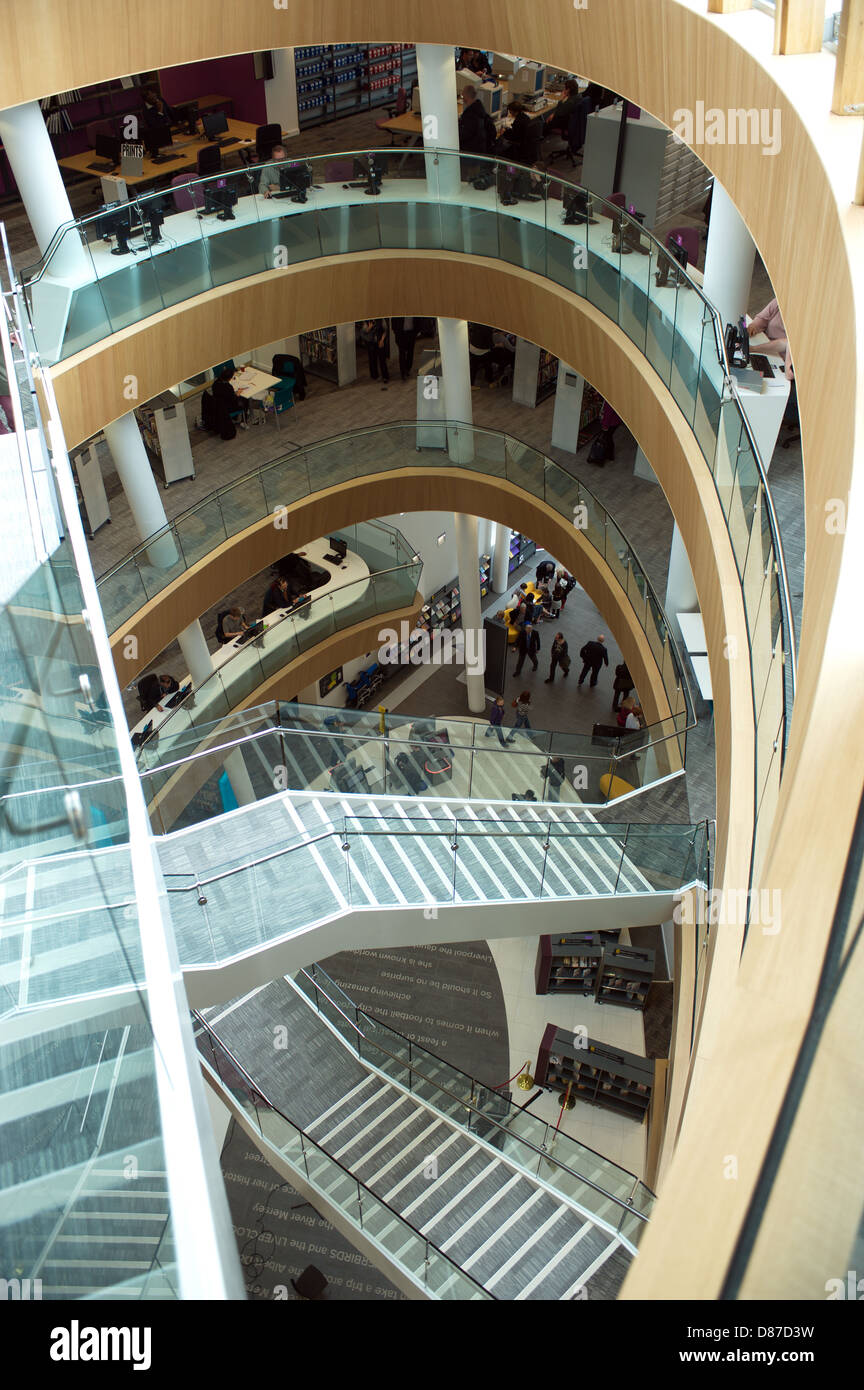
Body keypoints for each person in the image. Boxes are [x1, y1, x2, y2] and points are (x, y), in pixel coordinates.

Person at [458, 86, 496, 178]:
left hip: (471, 154)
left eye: (463, 97)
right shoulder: (481, 111)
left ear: (466, 97)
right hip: (480, 152)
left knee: (469, 177)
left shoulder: (470, 115)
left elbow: (464, 135)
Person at [360, 318, 390, 383]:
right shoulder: (366, 321)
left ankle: (385, 376)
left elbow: (385, 330)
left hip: (380, 342)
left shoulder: (381, 319)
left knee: (382, 359)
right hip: (371, 343)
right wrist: (369, 328)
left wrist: (382, 341)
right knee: (372, 359)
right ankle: (374, 375)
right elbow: (363, 332)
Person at [391, 316, 419, 381]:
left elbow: (418, 320)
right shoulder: (399, 311)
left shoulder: (414, 311)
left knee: (410, 352)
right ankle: (403, 373)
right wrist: (396, 332)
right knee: (402, 353)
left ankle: (408, 369)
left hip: (411, 334)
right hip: (401, 334)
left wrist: (416, 332)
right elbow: (393, 321)